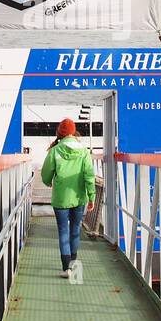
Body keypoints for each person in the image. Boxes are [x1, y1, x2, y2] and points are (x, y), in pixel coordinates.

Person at [40, 118, 95, 278]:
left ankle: (67, 269)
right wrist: (91, 196)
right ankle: (73, 264)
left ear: (60, 133)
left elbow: (45, 173)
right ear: (73, 131)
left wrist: (48, 181)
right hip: (79, 197)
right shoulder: (84, 151)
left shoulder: (55, 150)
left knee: (63, 231)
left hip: (61, 198)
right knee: (75, 230)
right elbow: (89, 176)